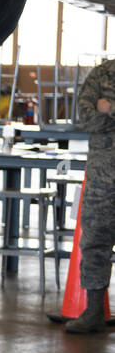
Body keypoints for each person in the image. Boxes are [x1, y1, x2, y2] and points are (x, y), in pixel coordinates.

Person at [67, 57, 115, 333]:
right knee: (94, 240)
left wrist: (110, 108)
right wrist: (101, 114)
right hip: (102, 175)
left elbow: (99, 115)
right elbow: (86, 115)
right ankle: (93, 311)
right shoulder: (104, 72)